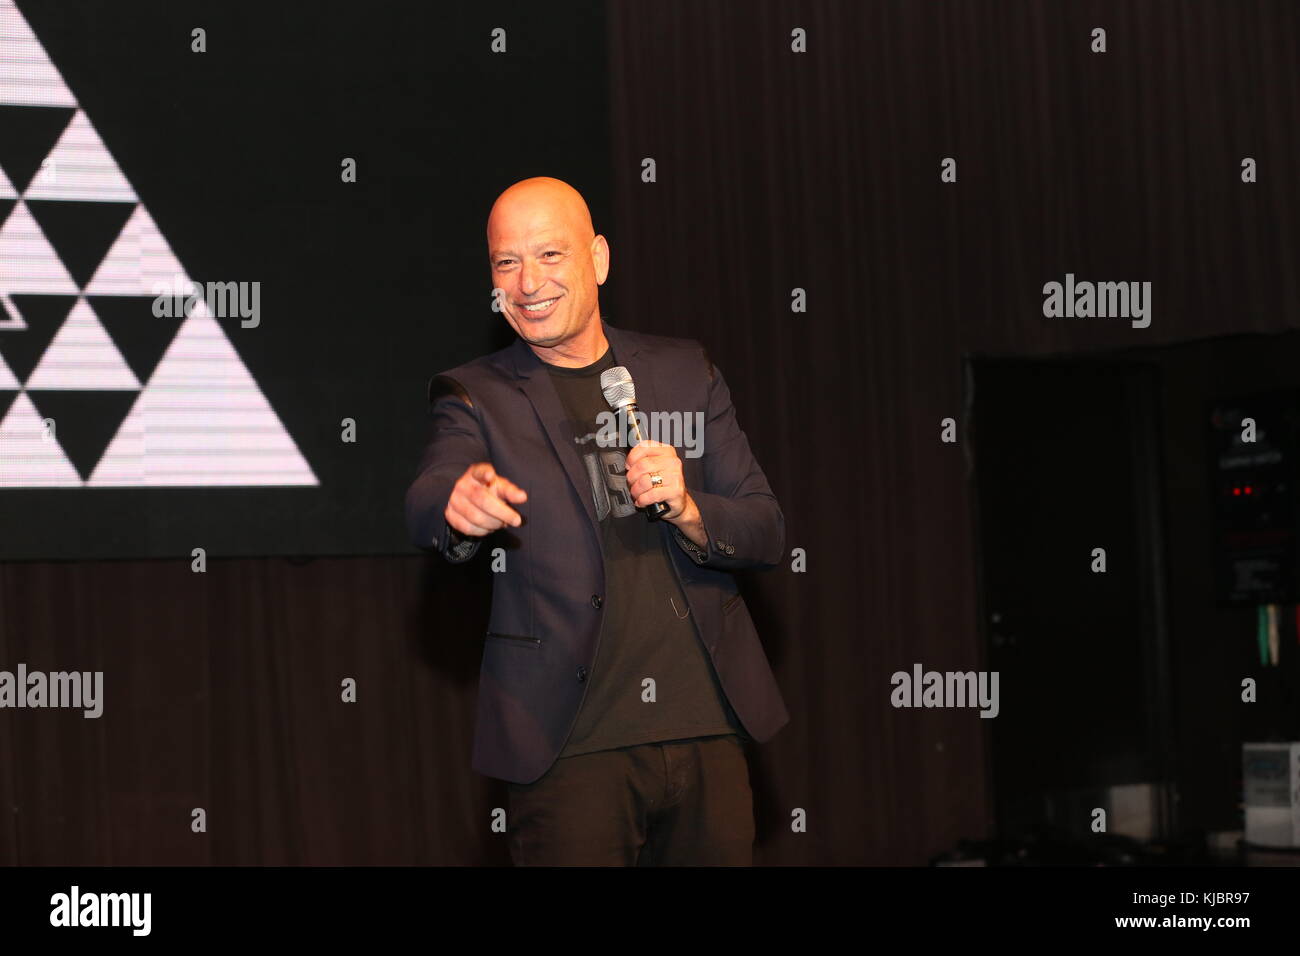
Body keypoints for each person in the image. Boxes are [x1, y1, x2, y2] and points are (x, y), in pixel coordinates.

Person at [405, 176, 788, 865]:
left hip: (707, 730)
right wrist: (457, 506)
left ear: (599, 259)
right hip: (571, 749)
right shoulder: (477, 394)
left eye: (550, 255)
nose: (528, 283)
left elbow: (764, 527)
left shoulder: (683, 372)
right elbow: (431, 491)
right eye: (506, 262)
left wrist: (694, 510)